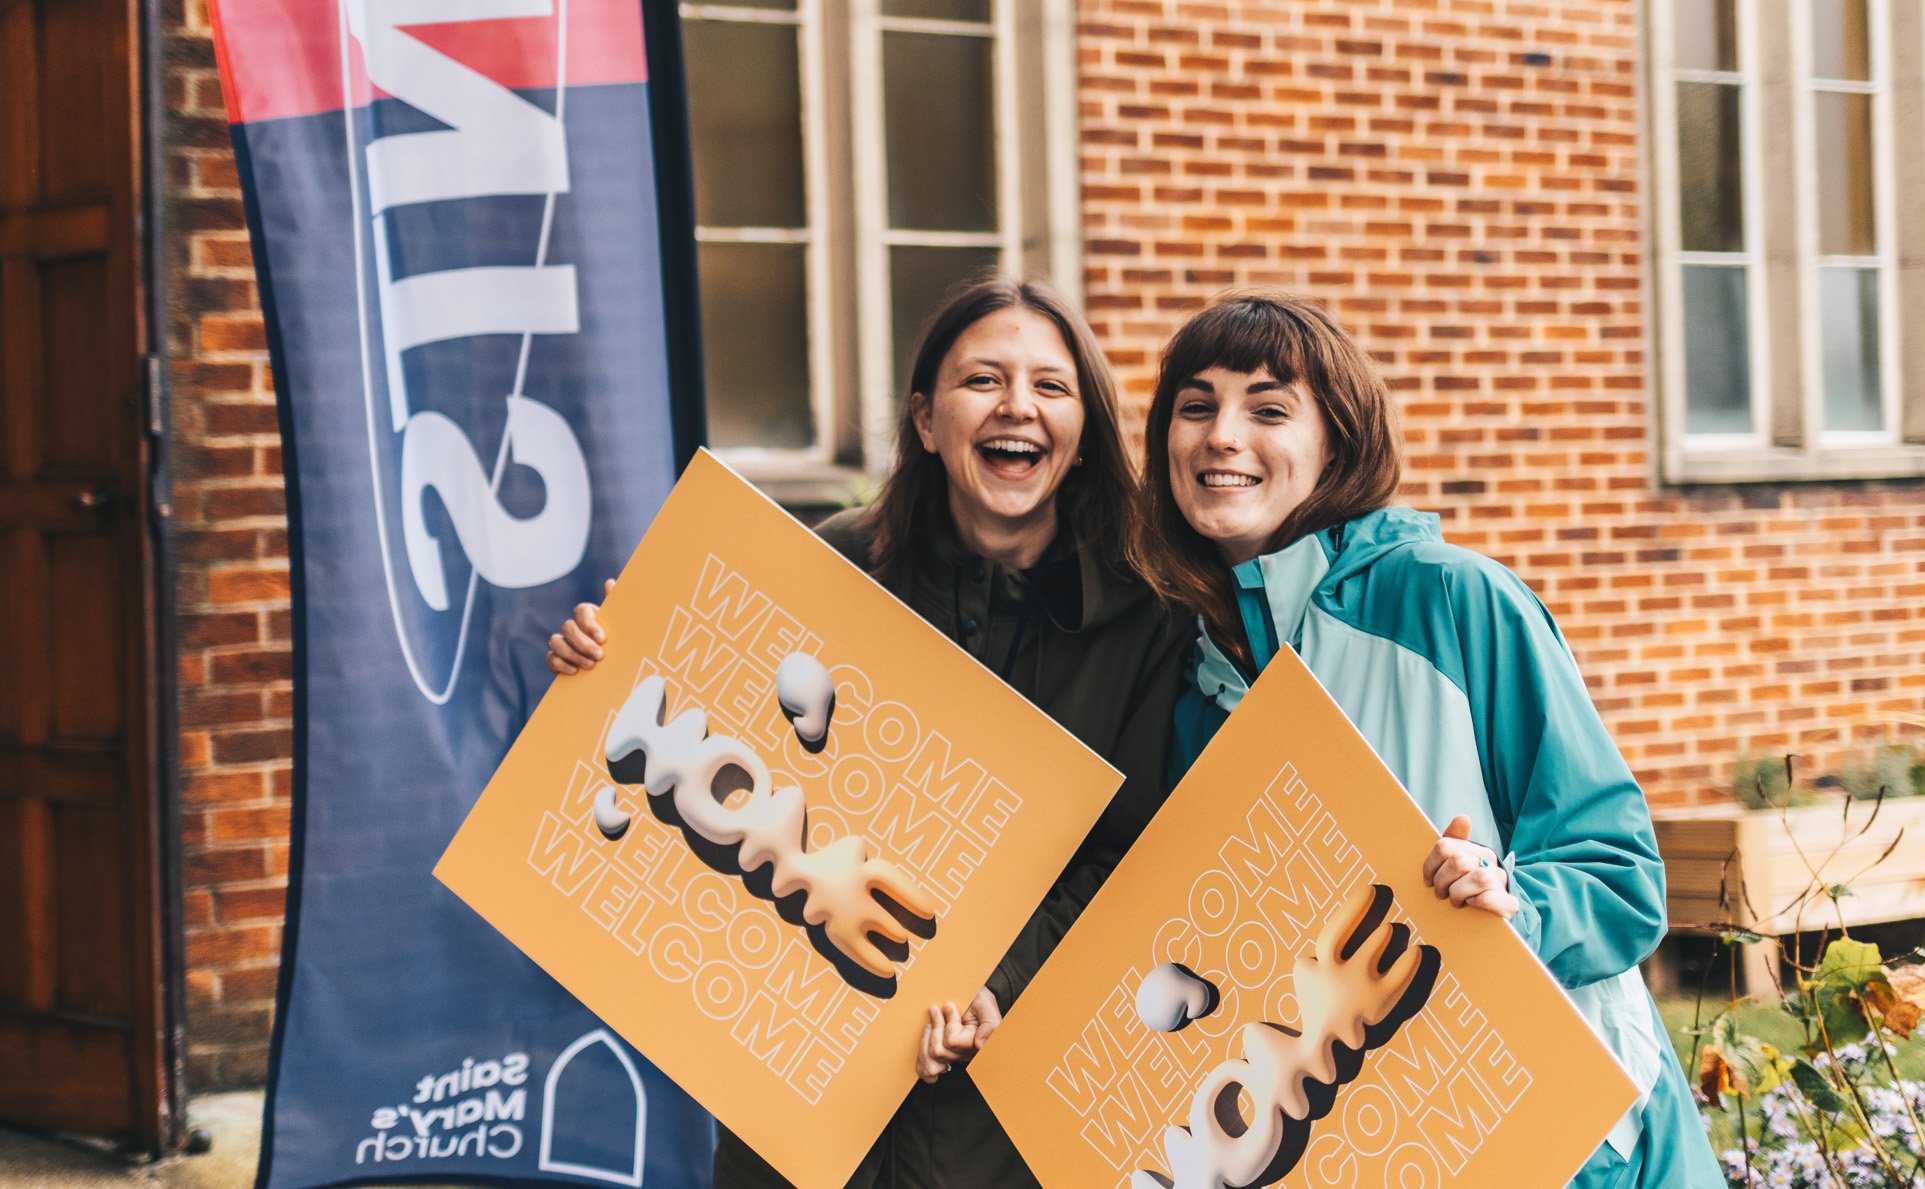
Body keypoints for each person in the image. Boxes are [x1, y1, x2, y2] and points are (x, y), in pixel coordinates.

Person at [548, 272, 1194, 1189]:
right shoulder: (825, 565)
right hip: (797, 1078)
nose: (1019, 405)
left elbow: (1119, 860)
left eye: (1051, 386)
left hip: (996, 1114)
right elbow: (693, 757)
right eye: (984, 380)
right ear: (927, 422)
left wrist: (991, 981)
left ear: (1083, 434)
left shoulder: (1146, 618)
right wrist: (607, 666)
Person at [1135, 292, 1720, 1188]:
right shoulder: (1195, 682)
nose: (1222, 434)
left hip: (1573, 1144)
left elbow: (1623, 877)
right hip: (1386, 1144)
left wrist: (1511, 901)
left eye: (1267, 407)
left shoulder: (1455, 601)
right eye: (1196, 405)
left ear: (1338, 439)